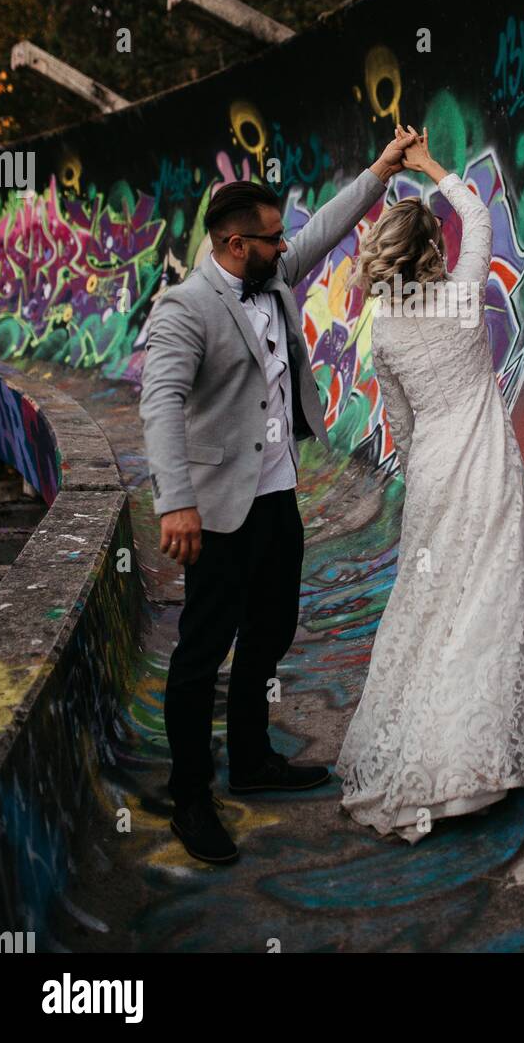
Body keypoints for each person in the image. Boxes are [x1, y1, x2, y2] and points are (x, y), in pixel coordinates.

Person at [138, 131, 416, 864]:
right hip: (217, 506)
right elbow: (160, 401)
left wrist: (379, 171)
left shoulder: (270, 277)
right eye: (271, 237)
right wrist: (175, 502)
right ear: (234, 245)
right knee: (202, 652)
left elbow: (323, 227)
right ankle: (192, 797)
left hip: (277, 495)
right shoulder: (186, 309)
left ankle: (253, 761)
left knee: (270, 630)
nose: (284, 243)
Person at [335, 124, 524, 843]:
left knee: (433, 601)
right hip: (486, 462)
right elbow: (475, 211)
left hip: (435, 469)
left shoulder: (386, 332)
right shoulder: (464, 296)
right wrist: (428, 162)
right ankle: (488, 753)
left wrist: (416, 474)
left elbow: (401, 425)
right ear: (433, 252)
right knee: (493, 594)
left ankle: (432, 749)